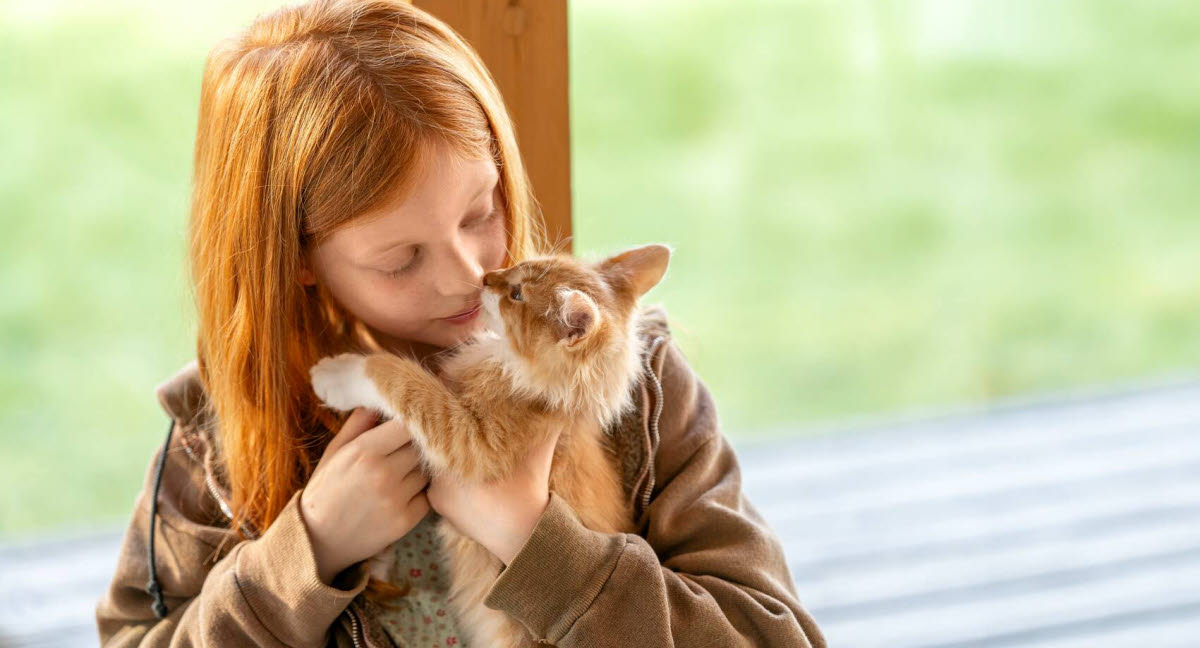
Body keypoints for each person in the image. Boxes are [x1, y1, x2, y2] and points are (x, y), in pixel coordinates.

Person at [94, 0, 827, 646]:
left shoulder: (634, 389)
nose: (469, 277)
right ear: (297, 260)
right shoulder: (224, 433)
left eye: (481, 212)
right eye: (400, 258)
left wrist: (541, 547)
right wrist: (305, 551)